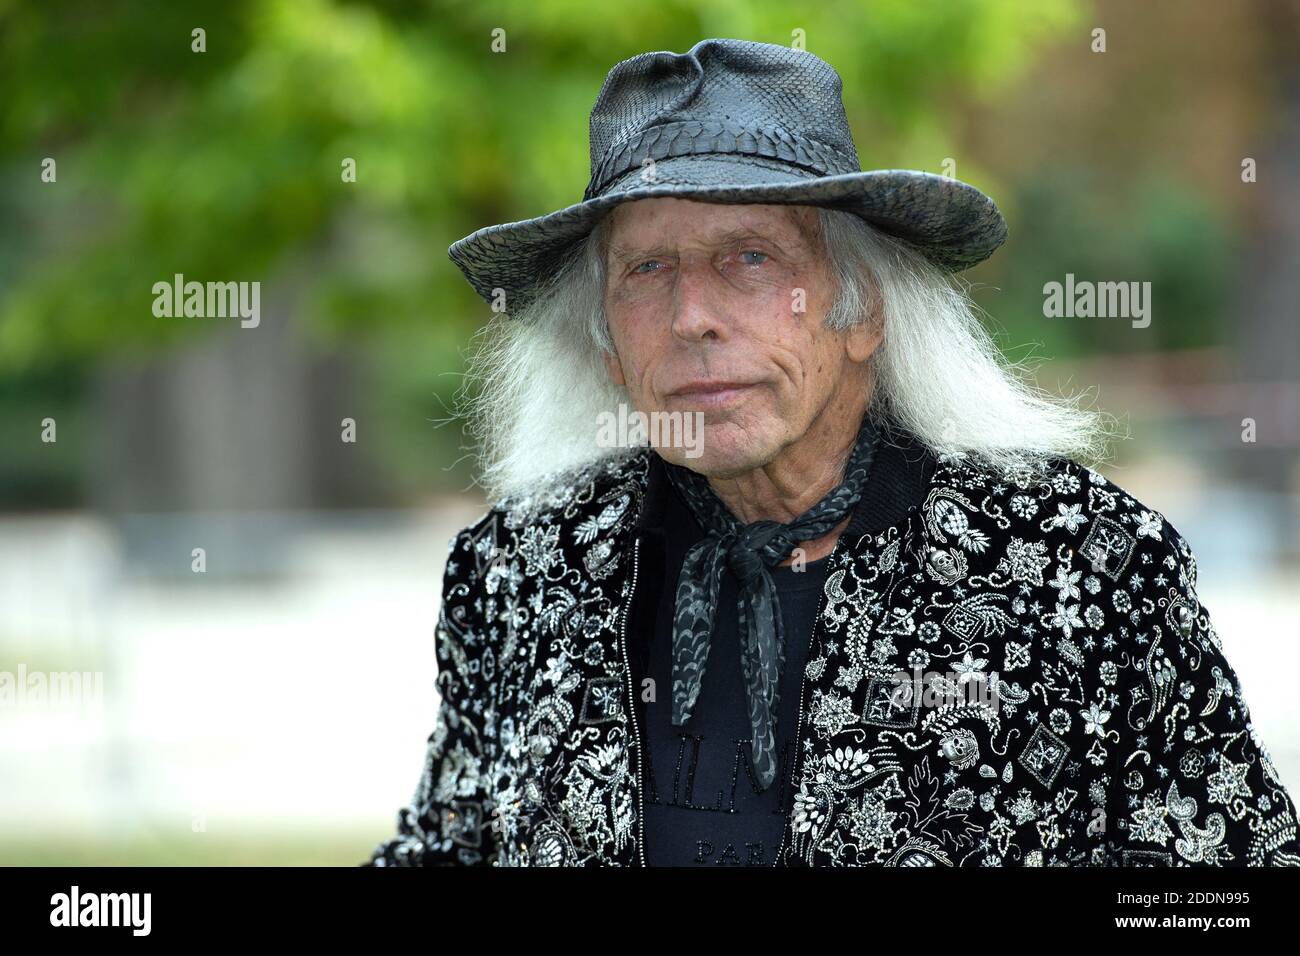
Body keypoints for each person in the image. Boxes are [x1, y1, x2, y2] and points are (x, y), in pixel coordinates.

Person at [365, 38, 1300, 866]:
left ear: (863, 312)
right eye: (647, 270)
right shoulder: (522, 573)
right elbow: (452, 845)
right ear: (609, 347)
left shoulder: (1079, 566)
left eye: (751, 259)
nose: (693, 318)